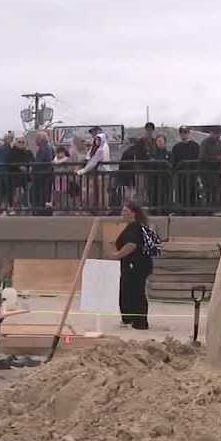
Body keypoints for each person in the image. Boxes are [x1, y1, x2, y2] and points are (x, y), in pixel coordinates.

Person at [112, 202, 154, 330]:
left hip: (136, 265)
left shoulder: (135, 227)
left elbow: (132, 245)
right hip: (134, 265)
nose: (122, 213)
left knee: (136, 292)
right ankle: (129, 318)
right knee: (128, 291)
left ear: (133, 213)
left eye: (126, 211)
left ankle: (139, 321)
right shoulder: (133, 227)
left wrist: (117, 255)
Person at [76, 128, 113, 211]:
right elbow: (89, 157)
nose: (94, 135)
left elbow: (93, 161)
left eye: (95, 133)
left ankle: (103, 209)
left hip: (101, 171)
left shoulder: (102, 147)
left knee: (101, 192)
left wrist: (82, 170)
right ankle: (97, 208)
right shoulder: (96, 146)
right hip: (96, 172)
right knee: (97, 192)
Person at [172, 126, 201, 209]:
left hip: (192, 175)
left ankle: (193, 210)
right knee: (181, 194)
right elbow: (174, 161)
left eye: (185, 132)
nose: (184, 134)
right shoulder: (176, 147)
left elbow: (198, 160)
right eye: (182, 132)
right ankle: (182, 210)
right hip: (181, 176)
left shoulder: (195, 146)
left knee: (193, 193)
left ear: (189, 133)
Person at [199, 129, 221, 208]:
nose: (217, 136)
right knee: (208, 191)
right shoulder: (205, 142)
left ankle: (216, 207)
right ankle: (208, 209)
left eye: (218, 134)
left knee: (216, 190)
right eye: (215, 133)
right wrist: (216, 158)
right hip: (206, 171)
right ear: (211, 133)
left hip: (217, 171)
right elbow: (202, 157)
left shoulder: (220, 143)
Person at [31, 131, 56, 212]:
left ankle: (41, 210)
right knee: (42, 193)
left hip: (43, 175)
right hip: (43, 175)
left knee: (42, 194)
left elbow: (45, 161)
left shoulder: (45, 148)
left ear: (40, 140)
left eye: (36, 139)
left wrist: (33, 165)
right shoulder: (46, 147)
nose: (35, 141)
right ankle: (41, 209)